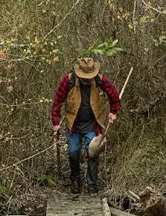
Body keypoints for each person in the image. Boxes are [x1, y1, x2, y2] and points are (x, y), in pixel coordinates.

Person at [50, 57, 121, 195]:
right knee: (73, 152)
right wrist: (55, 123)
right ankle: (75, 179)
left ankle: (92, 186)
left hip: (93, 125)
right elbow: (57, 101)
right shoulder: (68, 81)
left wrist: (113, 112)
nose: (87, 79)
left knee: (93, 153)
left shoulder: (100, 80)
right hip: (74, 125)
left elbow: (114, 96)